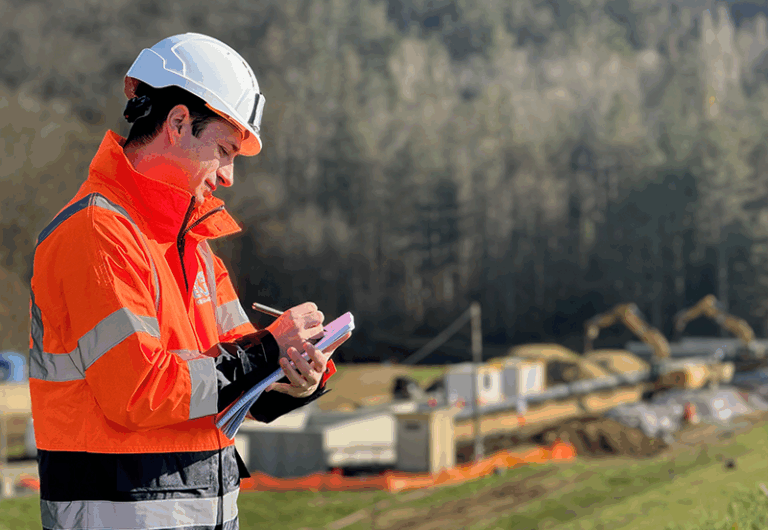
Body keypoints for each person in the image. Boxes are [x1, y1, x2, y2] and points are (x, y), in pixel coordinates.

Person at [28, 32, 349, 530]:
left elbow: (235, 381)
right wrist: (267, 352)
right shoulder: (96, 233)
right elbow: (139, 391)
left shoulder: (195, 248)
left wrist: (294, 373)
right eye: (224, 150)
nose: (228, 177)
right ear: (178, 123)